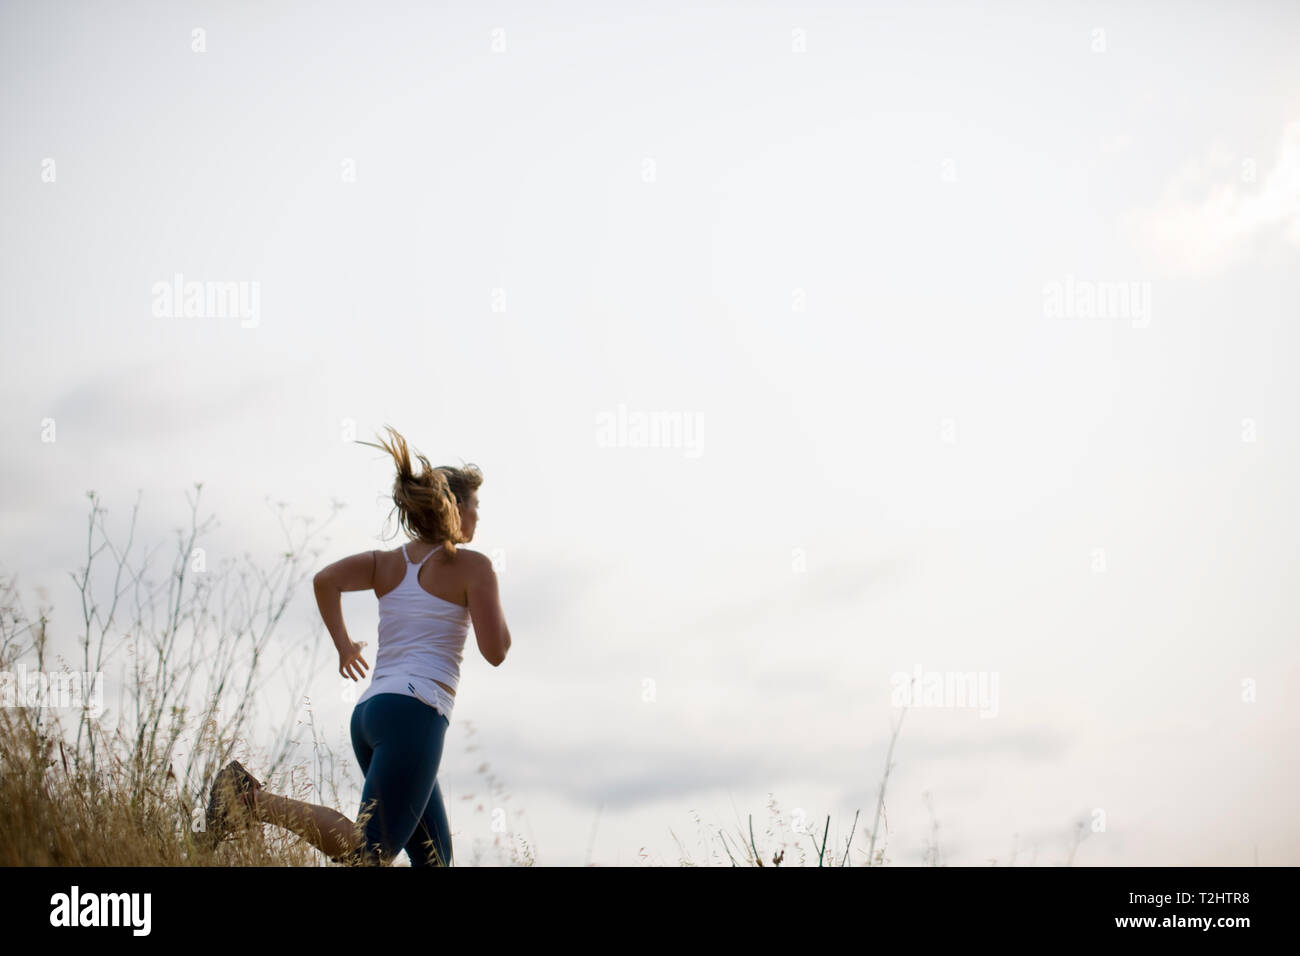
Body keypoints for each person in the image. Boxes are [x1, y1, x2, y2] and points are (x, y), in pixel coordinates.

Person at [204, 424, 512, 866]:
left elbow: (325, 580)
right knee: (368, 853)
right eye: (476, 506)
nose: (479, 517)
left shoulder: (387, 563)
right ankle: (249, 800)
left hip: (370, 715)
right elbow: (496, 651)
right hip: (416, 716)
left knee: (434, 858)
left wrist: (345, 646)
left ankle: (250, 800)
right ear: (455, 507)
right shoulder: (474, 567)